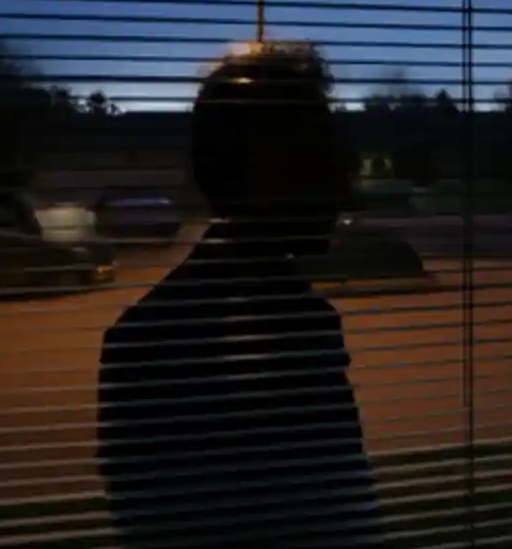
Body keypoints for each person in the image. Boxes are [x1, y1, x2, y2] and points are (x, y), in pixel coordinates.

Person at [97, 43, 383, 546]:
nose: (341, 186)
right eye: (317, 158)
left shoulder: (307, 318)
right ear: (262, 170)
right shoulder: (152, 345)